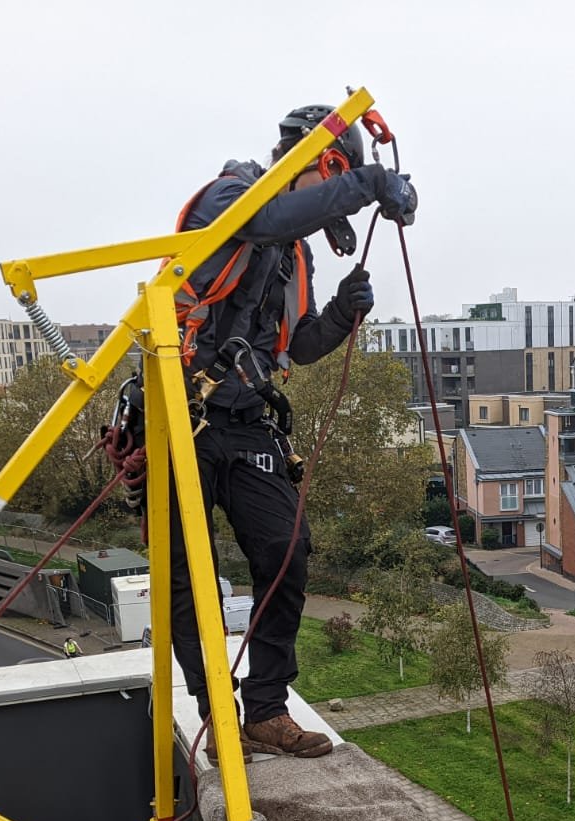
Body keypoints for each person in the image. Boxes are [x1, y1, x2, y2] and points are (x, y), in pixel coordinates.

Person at [168, 104, 417, 762]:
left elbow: (298, 347)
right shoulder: (229, 197)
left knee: (286, 550)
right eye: (334, 179)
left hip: (247, 420)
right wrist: (369, 185)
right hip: (178, 418)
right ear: (319, 163)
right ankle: (216, 713)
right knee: (188, 577)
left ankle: (266, 710)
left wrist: (340, 313)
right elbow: (262, 216)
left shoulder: (294, 257)